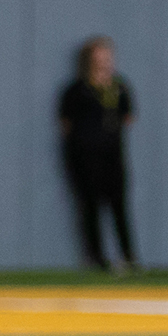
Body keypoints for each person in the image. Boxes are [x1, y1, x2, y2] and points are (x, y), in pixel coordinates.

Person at [58, 36, 139, 273]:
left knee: (118, 204)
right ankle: (95, 258)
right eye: (99, 56)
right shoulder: (77, 90)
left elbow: (127, 117)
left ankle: (128, 257)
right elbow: (65, 124)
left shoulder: (119, 87)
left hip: (112, 155)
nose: (104, 61)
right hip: (85, 156)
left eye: (107, 56)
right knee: (90, 206)